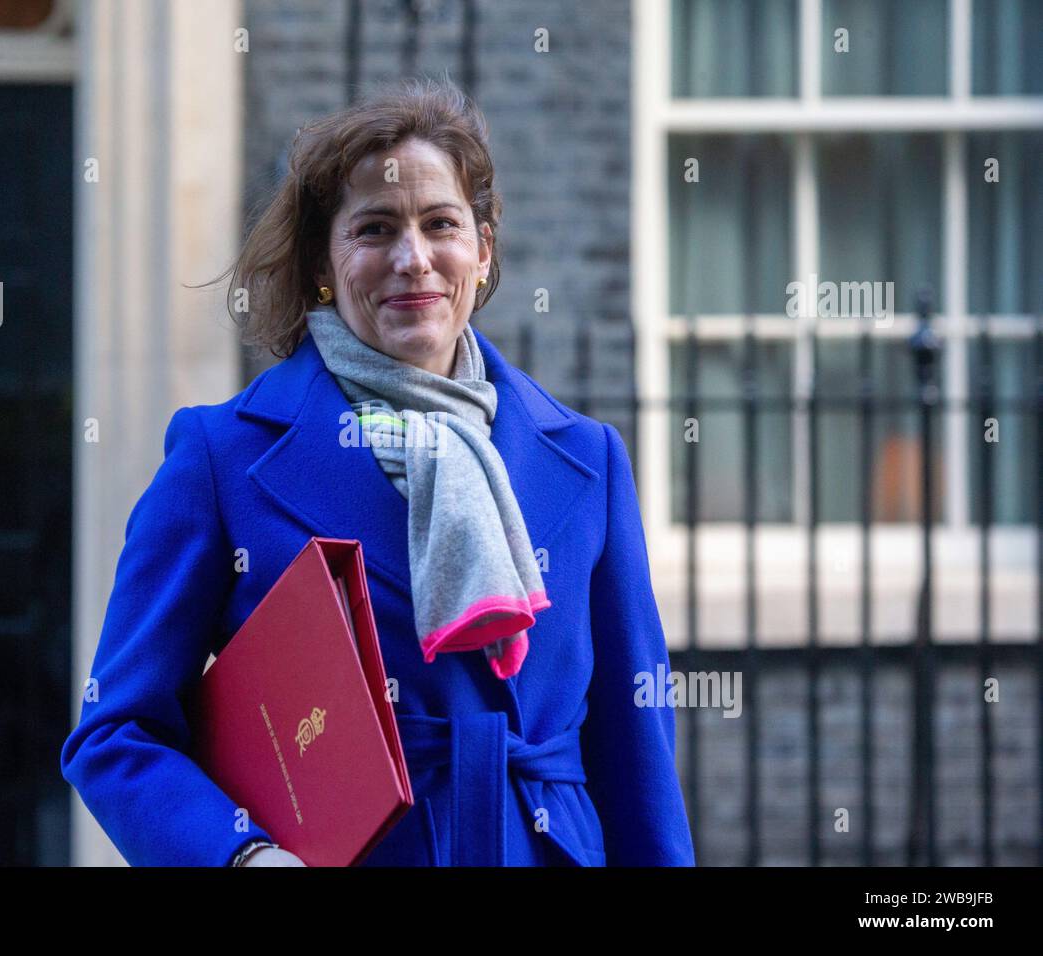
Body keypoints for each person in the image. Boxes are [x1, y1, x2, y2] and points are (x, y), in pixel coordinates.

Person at [61, 76, 695, 867]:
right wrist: (241, 857)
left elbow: (637, 757)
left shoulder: (588, 459)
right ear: (326, 262)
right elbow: (116, 732)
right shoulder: (221, 457)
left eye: (442, 225)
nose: (413, 259)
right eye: (374, 228)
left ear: (484, 249)